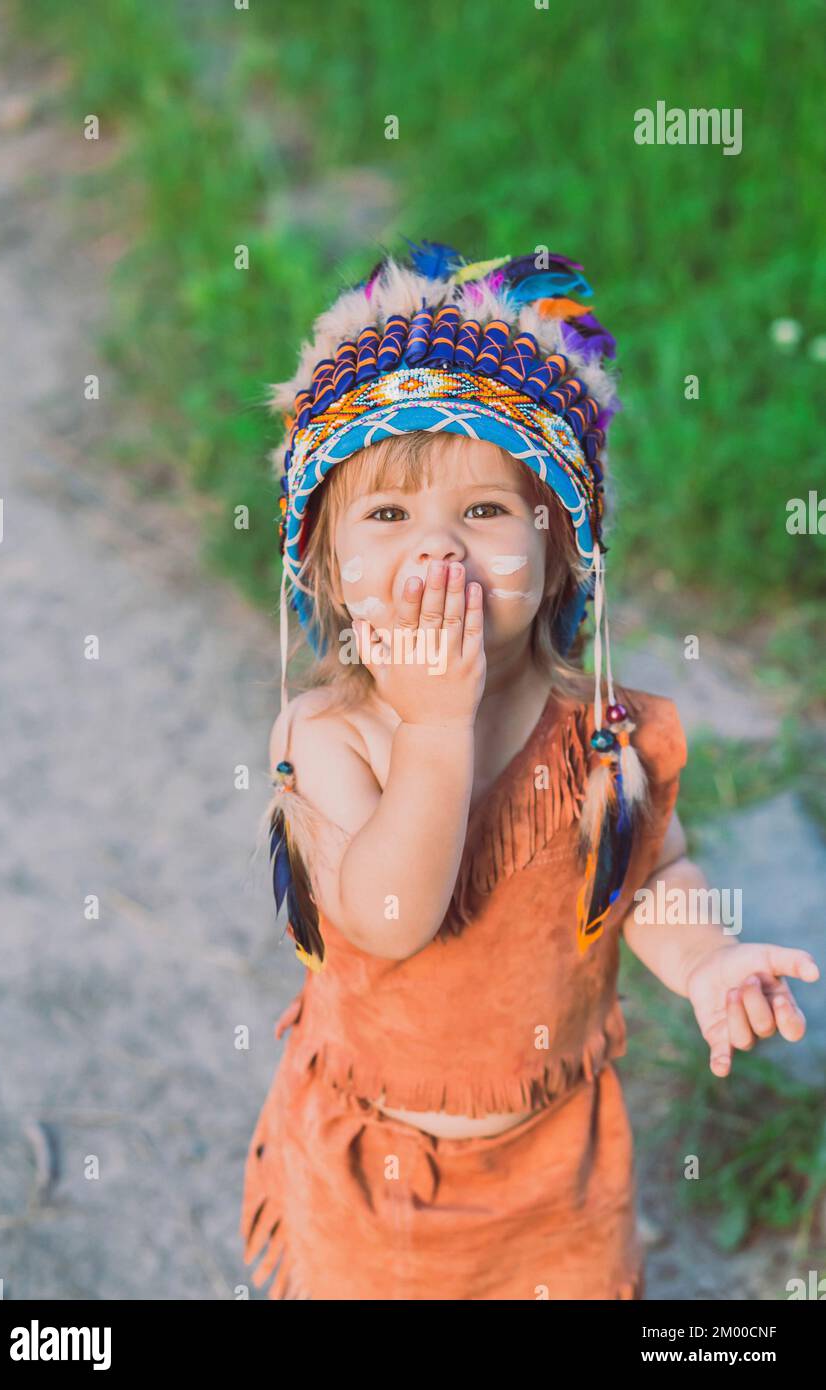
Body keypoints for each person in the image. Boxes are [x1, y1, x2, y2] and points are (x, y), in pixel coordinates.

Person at [239, 239, 819, 1300]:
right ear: (323, 563)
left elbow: (647, 875)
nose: (436, 554)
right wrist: (435, 726)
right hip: (381, 1178)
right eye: (385, 515)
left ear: (559, 550)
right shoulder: (330, 737)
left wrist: (704, 962)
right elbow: (389, 914)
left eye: (483, 511)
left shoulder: (606, 735)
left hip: (557, 1169)